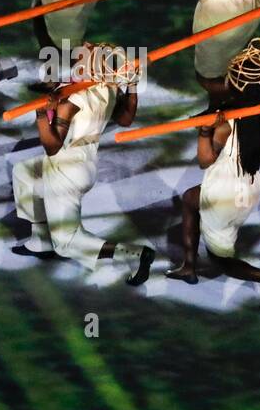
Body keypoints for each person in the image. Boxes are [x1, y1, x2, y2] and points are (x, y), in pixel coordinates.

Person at [129, 38, 260, 311]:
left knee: (222, 261)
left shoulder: (224, 124)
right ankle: (189, 267)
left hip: (223, 196)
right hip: (247, 190)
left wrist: (204, 131)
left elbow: (205, 161)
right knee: (190, 199)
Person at [11, 42, 154, 280]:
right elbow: (126, 118)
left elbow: (52, 146)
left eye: (89, 49)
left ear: (91, 64)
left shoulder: (73, 99)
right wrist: (132, 86)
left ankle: (131, 254)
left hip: (64, 167)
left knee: (66, 243)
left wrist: (40, 114)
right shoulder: (106, 89)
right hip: (85, 161)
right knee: (24, 172)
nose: (85, 47)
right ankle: (41, 240)